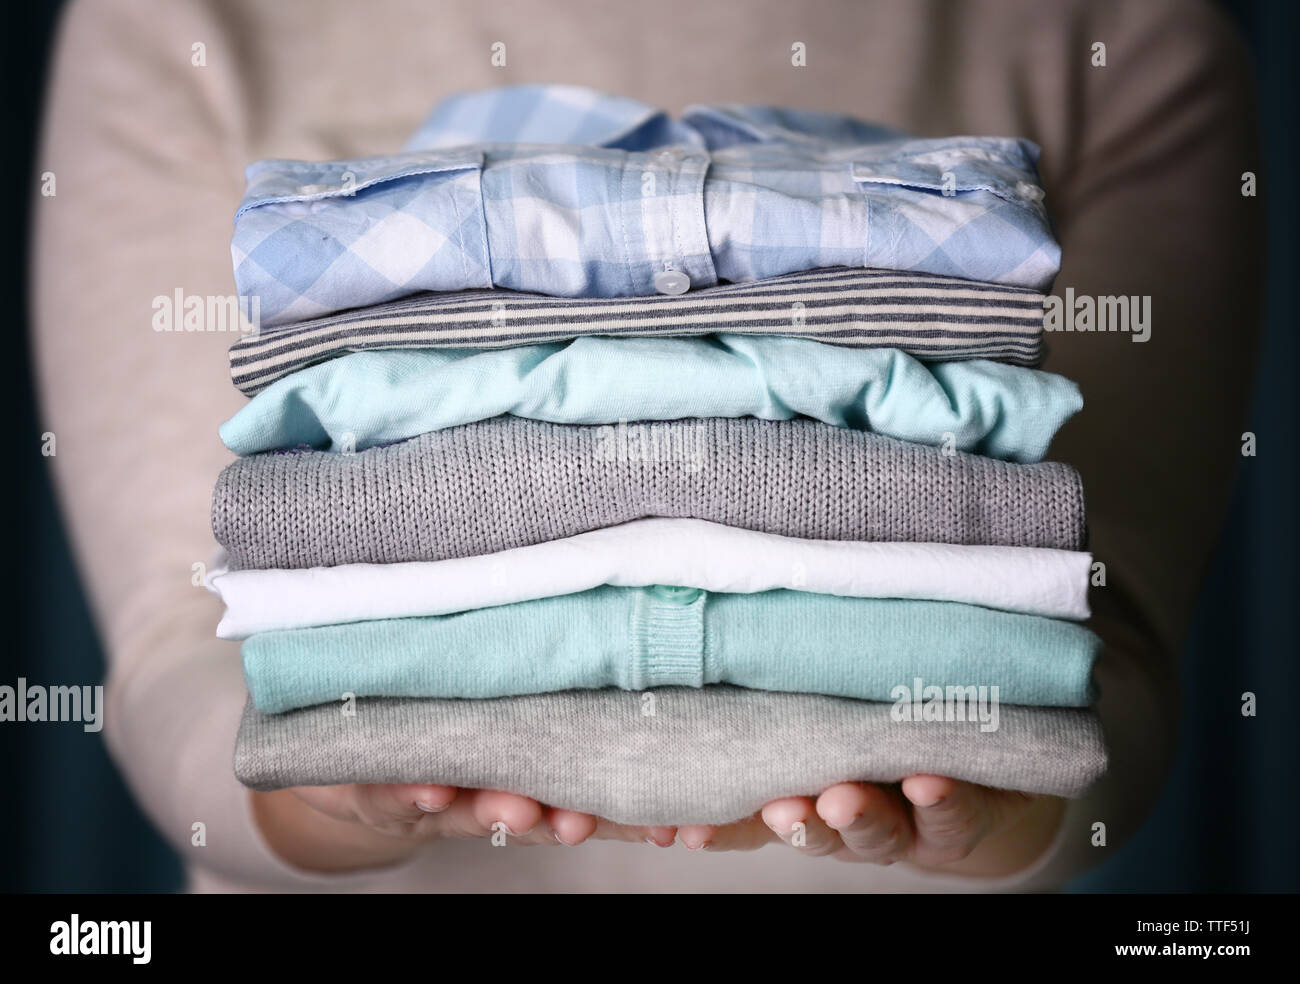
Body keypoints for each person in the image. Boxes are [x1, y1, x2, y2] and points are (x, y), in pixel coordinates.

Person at [32, 0, 1260, 891]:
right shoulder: (176, 18)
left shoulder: (1123, 25)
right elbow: (173, 644)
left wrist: (1006, 817)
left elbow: (1106, 650)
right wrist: (324, 794)